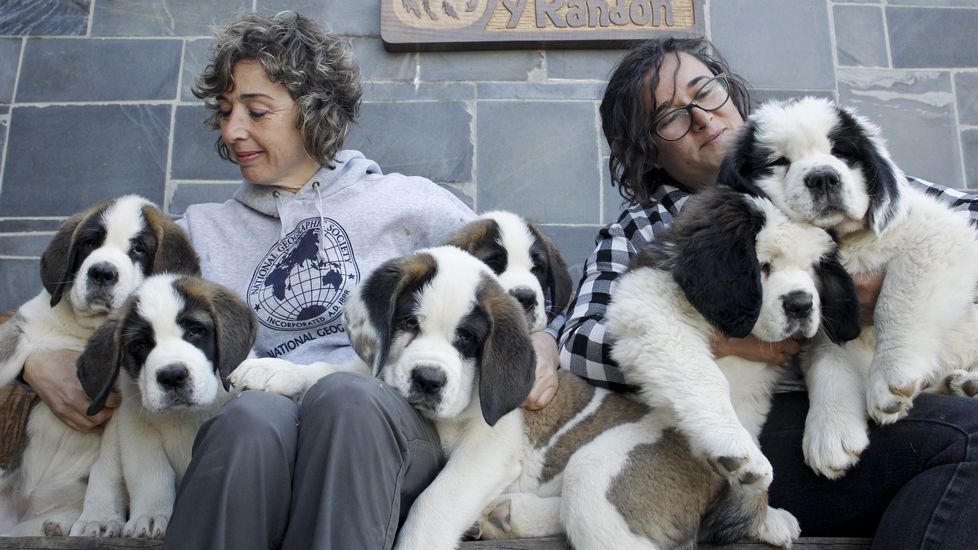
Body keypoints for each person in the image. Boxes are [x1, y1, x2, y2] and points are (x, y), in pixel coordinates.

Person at [19, 11, 562, 549]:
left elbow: (507, 286)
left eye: (256, 111)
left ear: (314, 111)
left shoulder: (411, 204)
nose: (233, 131)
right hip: (256, 435)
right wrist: (30, 361)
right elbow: (75, 313)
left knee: (345, 397)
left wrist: (539, 341)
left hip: (388, 430)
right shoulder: (196, 234)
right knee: (250, 416)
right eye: (226, 111)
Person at [559, 37, 978, 550]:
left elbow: (957, 223)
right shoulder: (643, 226)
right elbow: (579, 343)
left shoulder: (826, 174)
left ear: (730, 91)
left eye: (705, 91)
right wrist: (732, 336)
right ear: (647, 147)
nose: (703, 119)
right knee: (969, 437)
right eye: (670, 116)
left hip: (879, 400)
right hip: (758, 428)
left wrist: (888, 292)